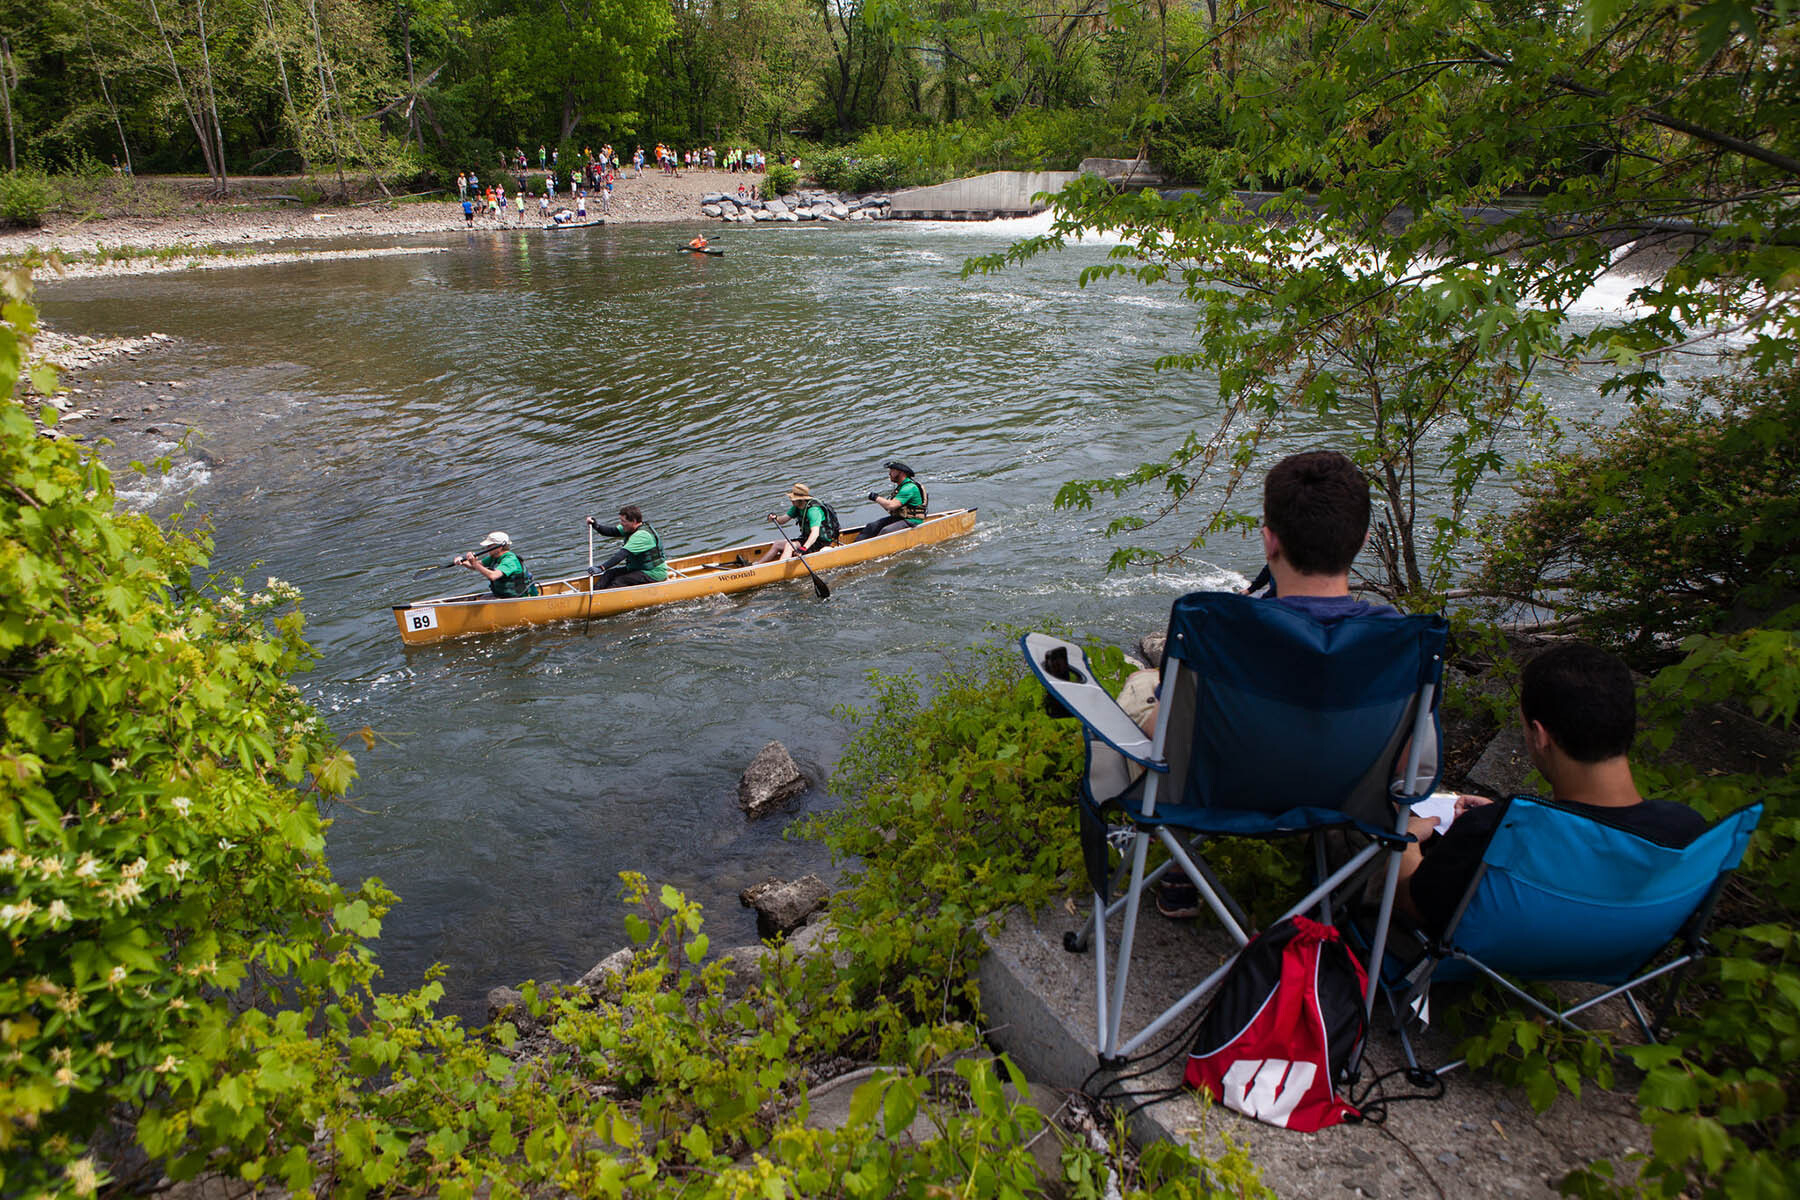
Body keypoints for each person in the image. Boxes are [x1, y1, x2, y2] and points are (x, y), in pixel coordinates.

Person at [1397, 642, 1707, 937]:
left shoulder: (1490, 833)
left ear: (1541, 736)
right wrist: (1504, 815)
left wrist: (1407, 840)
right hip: (1614, 958)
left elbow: (1415, 907)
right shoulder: (1686, 833)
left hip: (1495, 954)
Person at [586, 505, 668, 588]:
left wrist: (601, 568)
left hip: (653, 573)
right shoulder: (630, 528)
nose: (621, 523)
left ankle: (604, 599)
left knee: (620, 580)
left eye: (623, 521)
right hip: (637, 569)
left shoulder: (642, 536)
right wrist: (596, 526)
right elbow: (611, 531)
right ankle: (596, 593)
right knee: (609, 574)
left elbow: (621, 555)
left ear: (634, 521)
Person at [757, 484, 837, 563]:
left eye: (793, 498)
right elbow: (782, 520)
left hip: (820, 542)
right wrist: (775, 518)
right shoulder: (797, 507)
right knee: (777, 544)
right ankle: (755, 566)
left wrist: (804, 548)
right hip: (806, 539)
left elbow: (815, 534)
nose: (791, 500)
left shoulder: (813, 511)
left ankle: (779, 570)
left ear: (801, 499)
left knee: (789, 546)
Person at [857, 460, 928, 540]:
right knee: (871, 526)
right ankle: (854, 546)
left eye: (892, 471)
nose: (889, 473)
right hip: (900, 518)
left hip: (912, 520)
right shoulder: (902, 486)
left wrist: (876, 497)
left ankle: (873, 549)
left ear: (901, 472)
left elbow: (891, 505)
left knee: (886, 531)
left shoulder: (909, 488)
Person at [457, 532, 538, 597]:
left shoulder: (510, 560)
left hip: (518, 597)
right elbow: (474, 566)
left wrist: (474, 562)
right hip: (503, 596)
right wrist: (463, 562)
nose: (487, 548)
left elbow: (493, 576)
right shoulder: (494, 557)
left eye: (489, 546)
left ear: (499, 547)